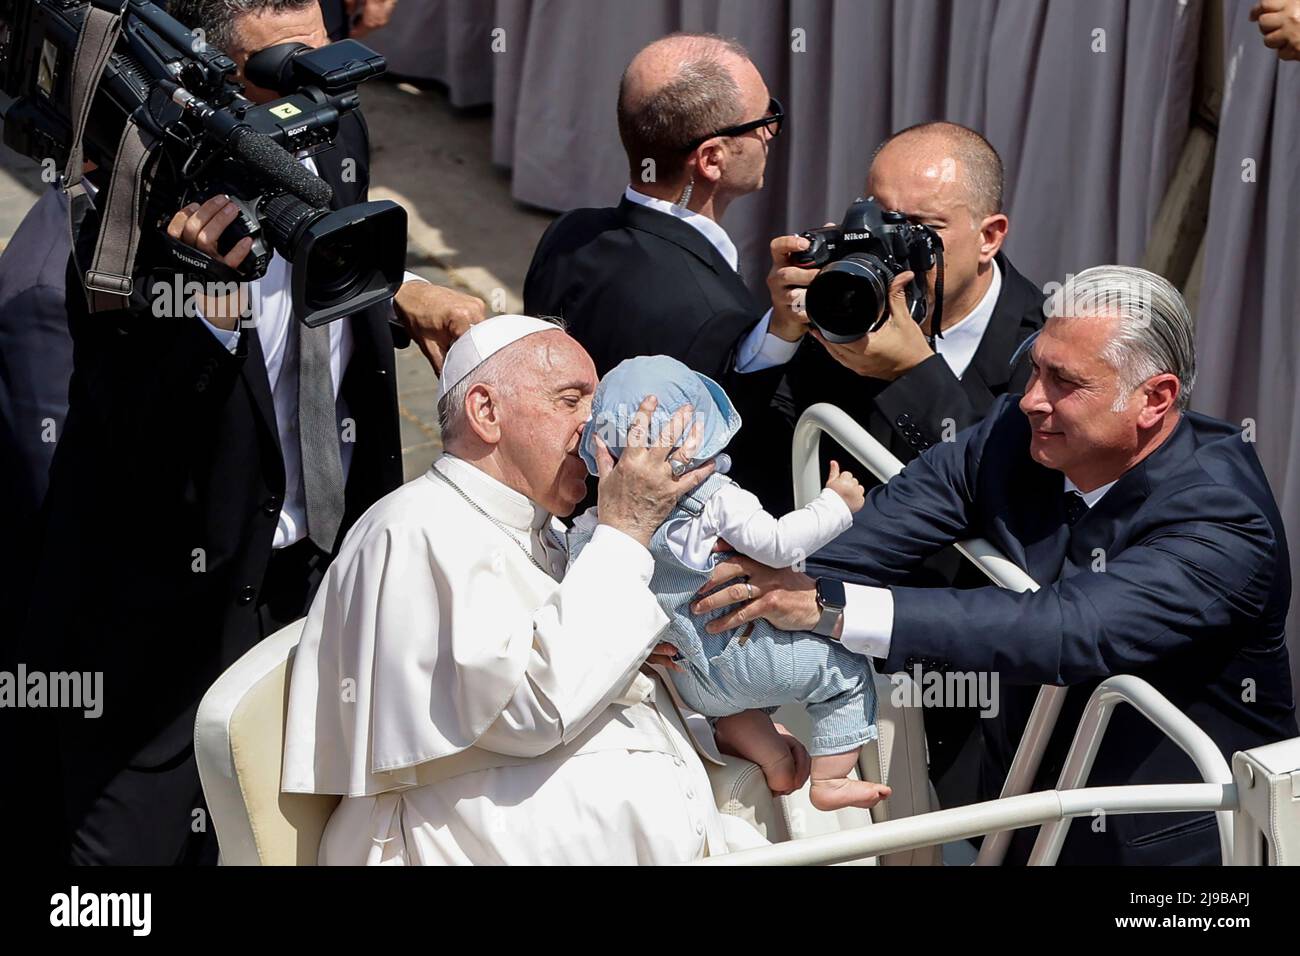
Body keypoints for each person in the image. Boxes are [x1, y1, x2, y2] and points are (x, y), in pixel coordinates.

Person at [19, 0, 484, 865]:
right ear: (214, 77)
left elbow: (329, 278)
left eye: (324, 53)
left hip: (326, 580)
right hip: (165, 625)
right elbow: (124, 445)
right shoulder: (130, 213)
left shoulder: (335, 130)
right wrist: (206, 315)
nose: (320, 90)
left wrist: (401, 287)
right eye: (286, 69)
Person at [692, 265, 1298, 865]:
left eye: (1065, 381)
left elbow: (1070, 631)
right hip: (1016, 819)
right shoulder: (1017, 432)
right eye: (1035, 366)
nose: (1033, 398)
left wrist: (831, 607)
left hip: (1171, 853)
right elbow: (862, 545)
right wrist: (725, 613)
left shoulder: (1222, 517)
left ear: (1155, 399)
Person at [282, 315, 768, 864]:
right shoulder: (414, 526)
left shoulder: (553, 534)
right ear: (486, 411)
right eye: (572, 400)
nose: (596, 424)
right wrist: (626, 530)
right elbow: (527, 708)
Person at [565, 355, 887, 811]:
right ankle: (831, 779)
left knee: (739, 703)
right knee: (846, 670)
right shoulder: (718, 498)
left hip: (689, 679)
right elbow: (778, 545)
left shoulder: (599, 523)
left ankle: (764, 748)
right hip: (747, 656)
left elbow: (583, 577)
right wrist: (835, 504)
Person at [522, 32, 785, 506]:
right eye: (765, 121)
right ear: (711, 159)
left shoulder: (567, 233)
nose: (770, 133)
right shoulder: (714, 313)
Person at [738, 122, 1044, 515]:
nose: (895, 250)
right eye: (882, 223)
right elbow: (744, 462)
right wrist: (781, 335)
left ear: (989, 237)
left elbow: (1020, 502)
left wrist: (915, 373)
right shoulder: (846, 304)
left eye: (922, 230)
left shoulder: (1044, 345)